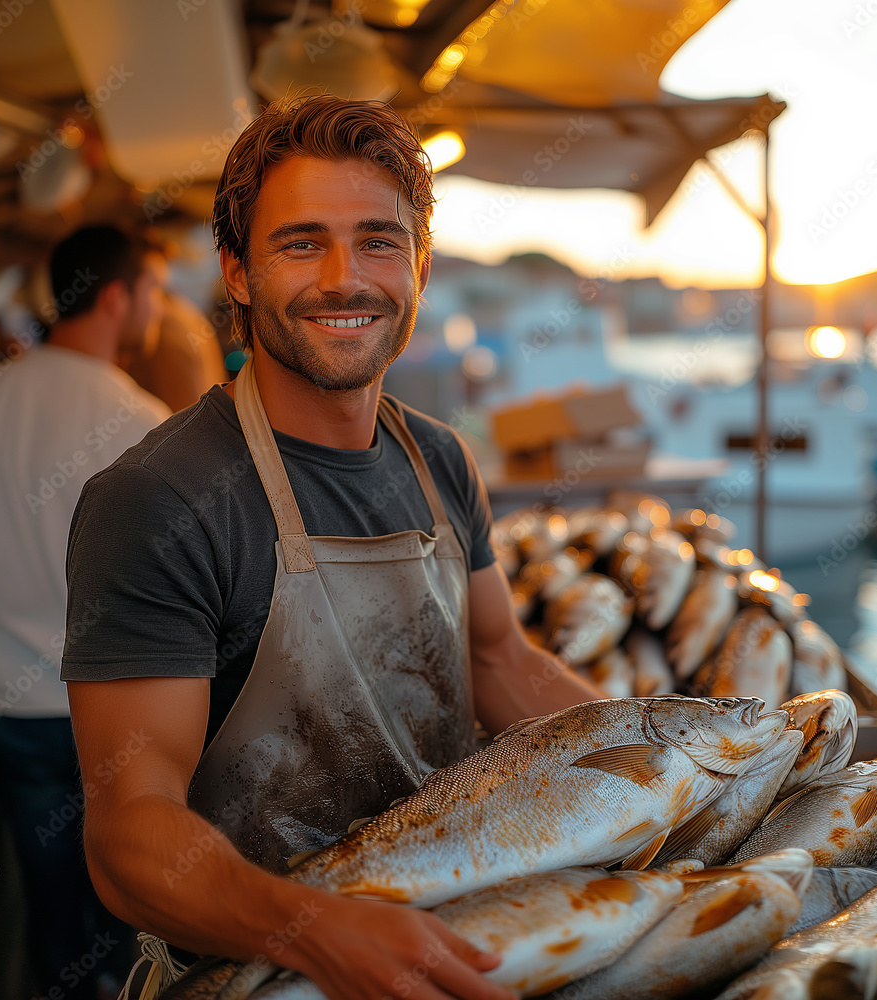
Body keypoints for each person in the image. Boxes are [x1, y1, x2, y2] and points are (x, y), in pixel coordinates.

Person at [61, 97, 600, 1000]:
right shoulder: (160, 500)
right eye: (302, 242)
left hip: (456, 947)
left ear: (419, 267)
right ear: (238, 272)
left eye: (379, 241)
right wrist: (309, 930)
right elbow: (128, 828)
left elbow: (501, 659)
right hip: (258, 976)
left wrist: (671, 751)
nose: (345, 279)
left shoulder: (438, 458)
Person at [0, 225, 171, 1000]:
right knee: (131, 916)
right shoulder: (146, 422)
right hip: (112, 714)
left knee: (52, 918)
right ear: (117, 297)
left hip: (16, 705)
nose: (156, 305)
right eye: (151, 289)